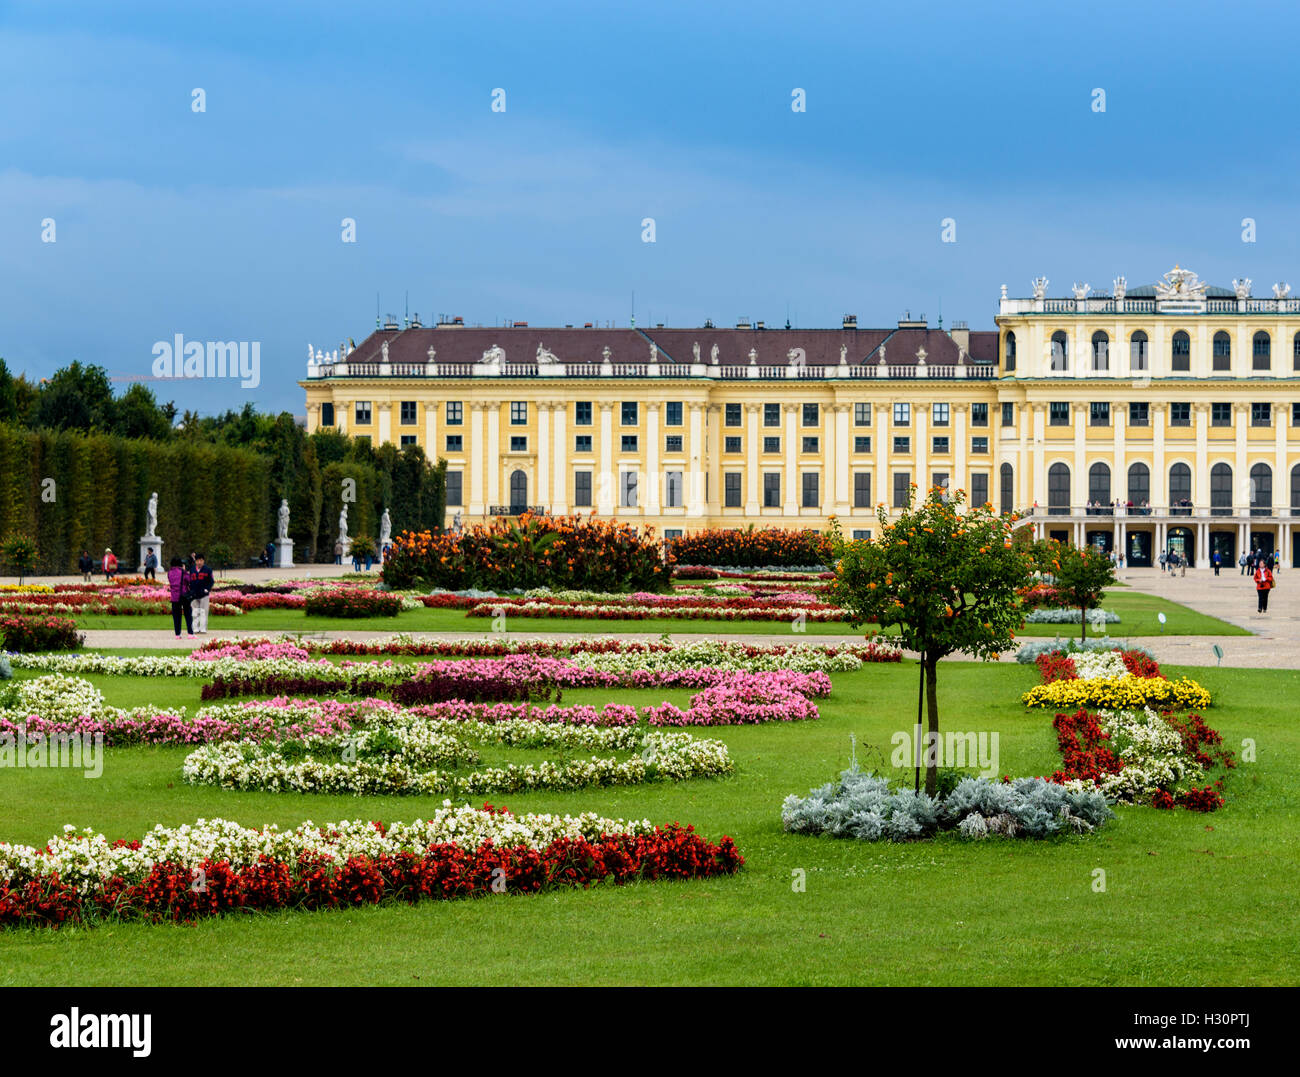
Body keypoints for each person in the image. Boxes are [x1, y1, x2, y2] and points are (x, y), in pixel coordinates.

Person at [167, 556, 195, 638]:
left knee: (176, 616)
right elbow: (189, 580)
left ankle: (177, 634)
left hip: (174, 597)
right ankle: (190, 633)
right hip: (184, 595)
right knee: (188, 615)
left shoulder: (169, 573)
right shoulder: (183, 572)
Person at [189, 552, 214, 634]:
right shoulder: (192, 569)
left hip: (204, 594)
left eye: (201, 560)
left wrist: (207, 589)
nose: (199, 562)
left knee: (203, 611)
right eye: (197, 560)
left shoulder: (208, 570)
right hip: (194, 594)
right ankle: (195, 628)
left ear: (203, 561)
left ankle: (203, 628)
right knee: (195, 611)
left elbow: (211, 581)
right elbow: (189, 581)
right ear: (195, 561)